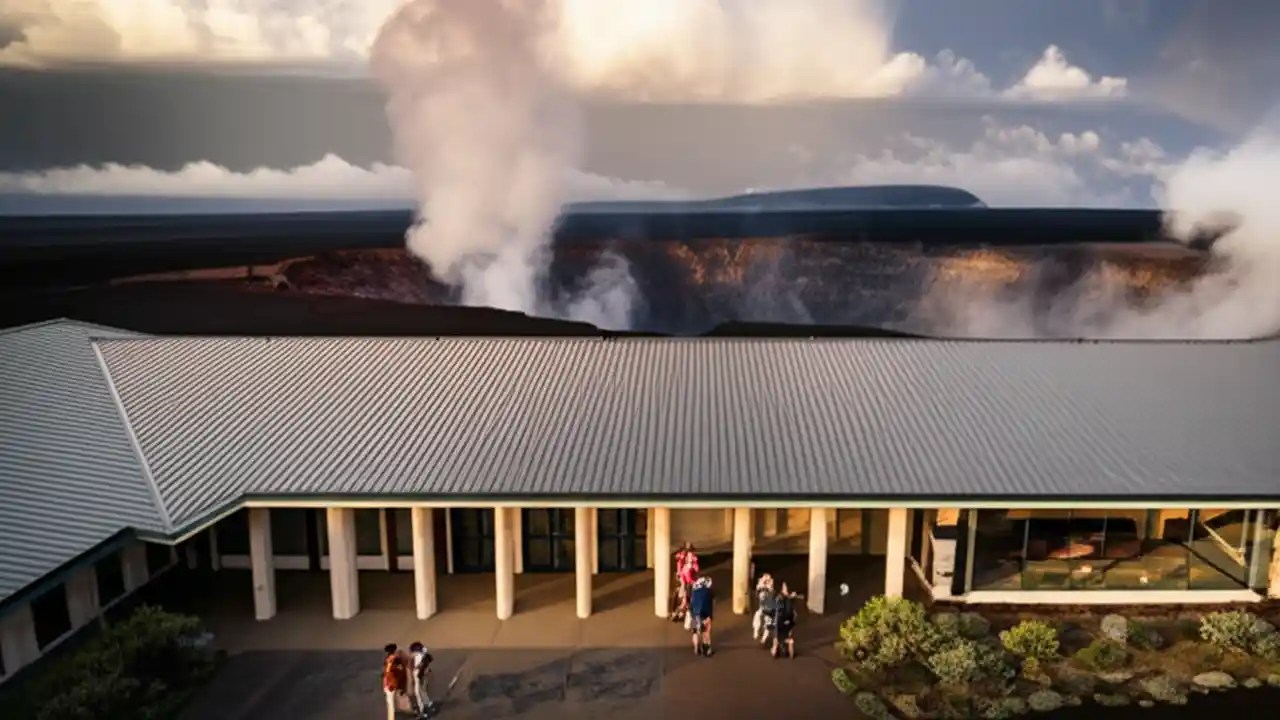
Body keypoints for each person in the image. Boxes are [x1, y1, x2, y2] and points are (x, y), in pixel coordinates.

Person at [688, 575, 715, 656]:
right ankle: (707, 649)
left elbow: (691, 605)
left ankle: (696, 648)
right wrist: (709, 617)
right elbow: (708, 606)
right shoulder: (707, 593)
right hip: (704, 614)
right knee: (706, 631)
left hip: (694, 615)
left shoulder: (694, 592)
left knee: (695, 632)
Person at [770, 583, 799, 659]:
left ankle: (776, 649)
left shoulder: (783, 598)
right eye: (784, 587)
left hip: (784, 621)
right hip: (785, 621)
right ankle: (782, 647)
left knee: (778, 637)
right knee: (783, 637)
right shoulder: (782, 598)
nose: (786, 589)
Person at [382, 643, 410, 719]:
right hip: (389, 683)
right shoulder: (390, 659)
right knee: (391, 703)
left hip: (391, 683)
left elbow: (399, 671)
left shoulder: (395, 659)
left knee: (391, 704)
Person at [408, 641, 435, 717]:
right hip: (422, 676)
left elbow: (417, 667)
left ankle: (423, 710)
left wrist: (416, 668)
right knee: (421, 692)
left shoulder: (418, 656)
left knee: (418, 693)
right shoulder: (423, 654)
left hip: (419, 676)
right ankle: (427, 706)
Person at [752, 573, 776, 645]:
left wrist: (767, 585)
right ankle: (756, 631)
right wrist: (762, 583)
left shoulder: (771, 589)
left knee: (767, 622)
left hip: (770, 609)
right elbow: (758, 590)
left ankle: (764, 638)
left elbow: (771, 592)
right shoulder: (760, 588)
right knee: (757, 615)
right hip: (762, 608)